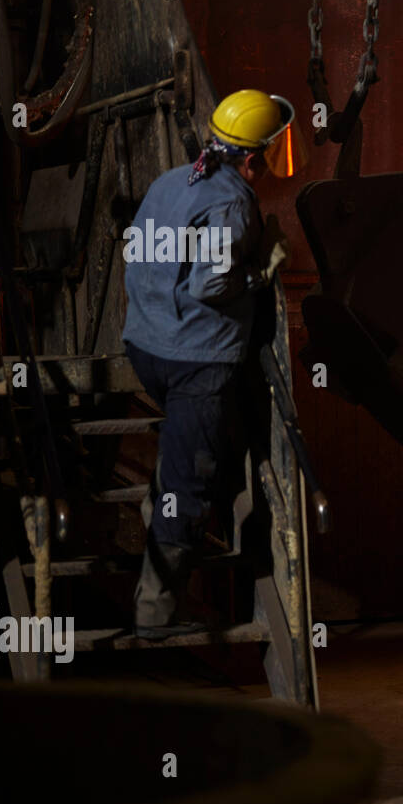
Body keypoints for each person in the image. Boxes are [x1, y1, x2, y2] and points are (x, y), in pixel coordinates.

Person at [122, 89, 306, 639]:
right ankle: (154, 613)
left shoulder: (171, 181)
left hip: (147, 347)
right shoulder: (231, 200)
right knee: (192, 480)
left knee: (182, 458)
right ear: (251, 159)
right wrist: (264, 268)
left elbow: (144, 257)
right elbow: (211, 282)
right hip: (195, 360)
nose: (270, 164)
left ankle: (159, 517)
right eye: (270, 153)